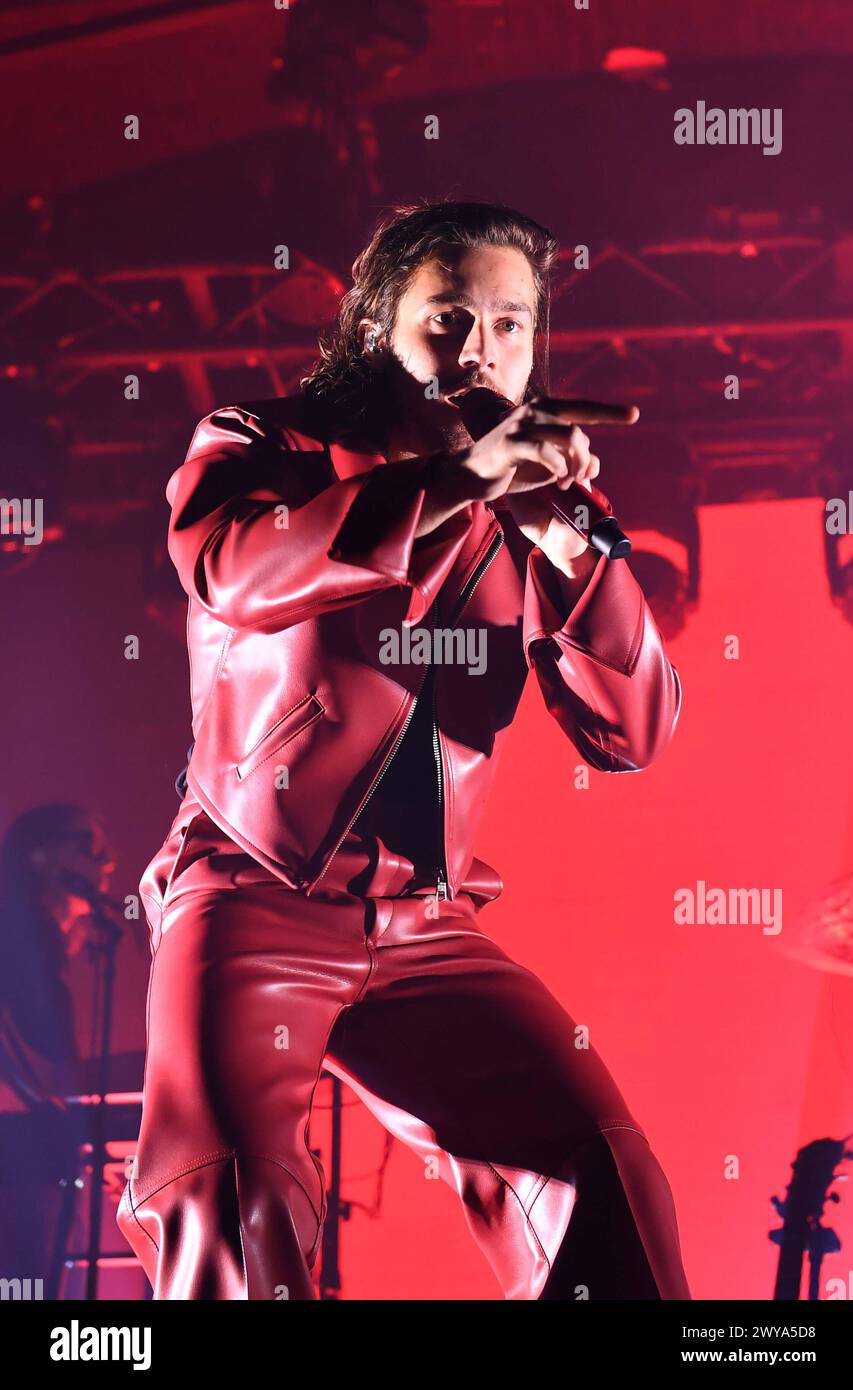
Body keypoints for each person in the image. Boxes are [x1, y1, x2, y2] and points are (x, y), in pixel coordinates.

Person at [117, 199, 689, 1300]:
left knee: (599, 1166)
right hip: (248, 895)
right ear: (379, 323)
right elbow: (240, 571)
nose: (482, 349)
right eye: (450, 318)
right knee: (225, 1195)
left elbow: (632, 731)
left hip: (427, 921)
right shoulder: (264, 444)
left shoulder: (531, 508)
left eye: (511, 323)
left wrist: (568, 546)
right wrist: (455, 482)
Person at [0, 804, 116, 1291]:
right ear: (42, 857)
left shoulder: (32, 939)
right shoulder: (25, 940)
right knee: (27, 1278)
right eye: (87, 846)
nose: (105, 862)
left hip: (25, 1138)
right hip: (19, 1145)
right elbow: (43, 1049)